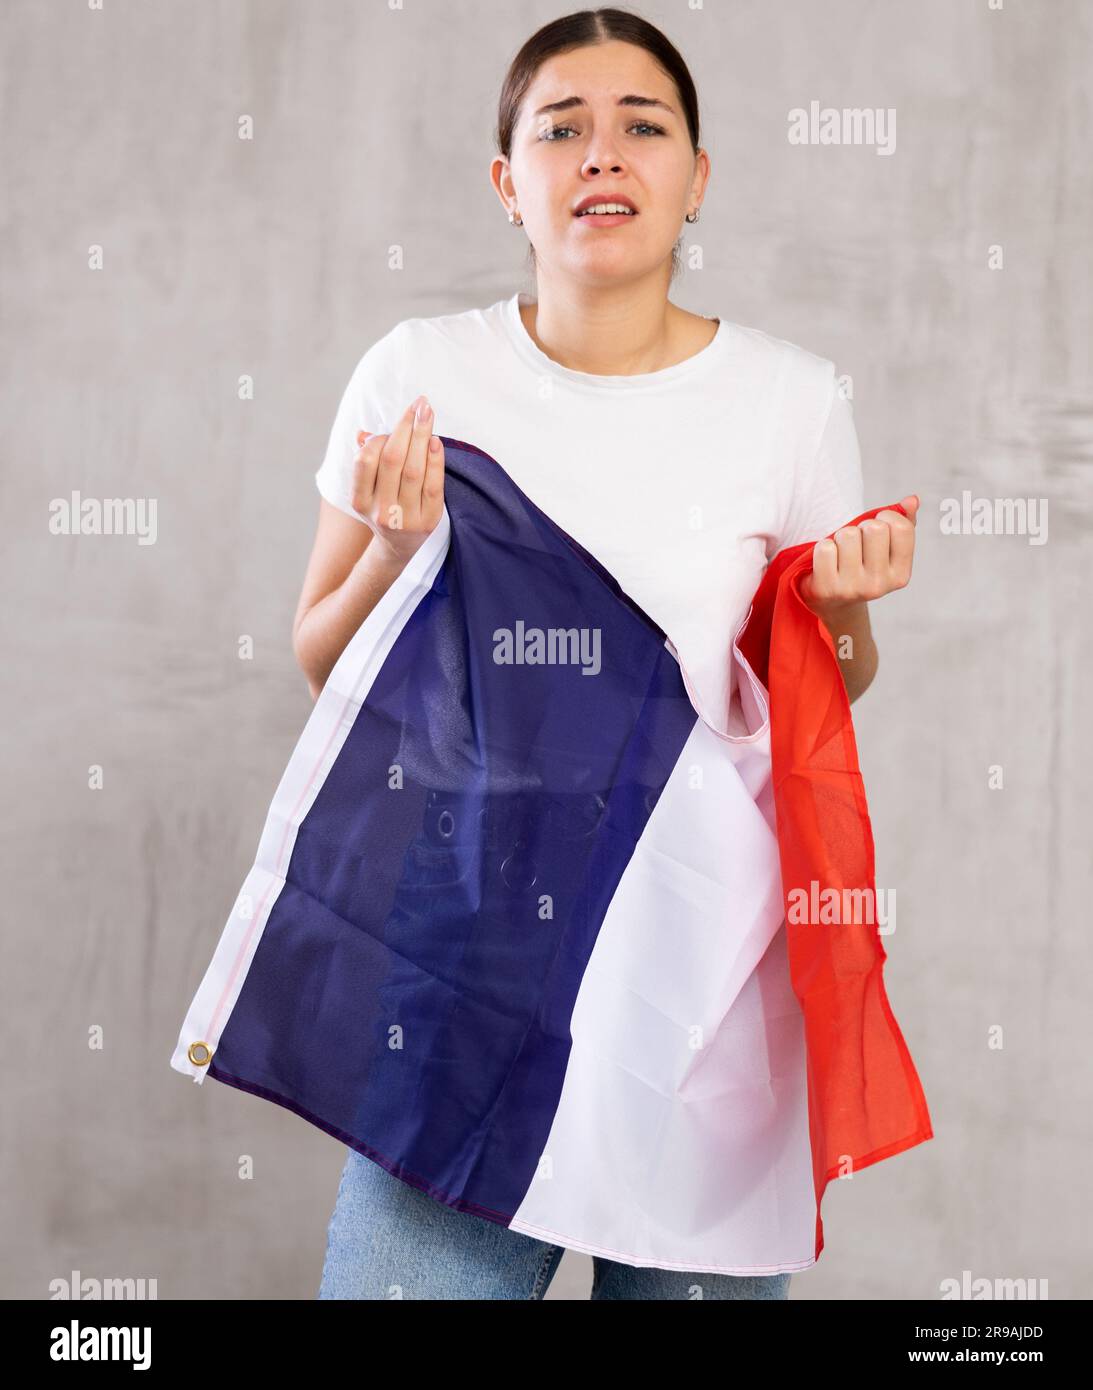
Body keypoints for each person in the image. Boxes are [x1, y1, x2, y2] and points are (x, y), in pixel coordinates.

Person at [293, 8, 918, 1301]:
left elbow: (815, 681)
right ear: (505, 183)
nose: (601, 156)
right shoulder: (417, 374)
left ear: (696, 177)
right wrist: (399, 547)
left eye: (643, 127)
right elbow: (319, 654)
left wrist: (844, 610)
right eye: (559, 129)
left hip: (703, 975)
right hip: (475, 961)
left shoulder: (792, 400)